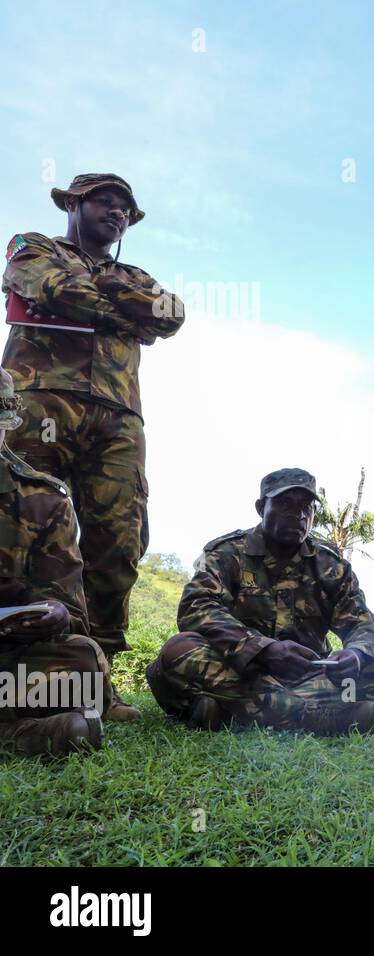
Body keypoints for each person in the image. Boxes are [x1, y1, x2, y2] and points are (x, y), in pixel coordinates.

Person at [2, 173, 186, 721]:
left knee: (118, 539)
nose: (118, 213)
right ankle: (24, 663)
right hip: (39, 403)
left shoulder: (136, 274)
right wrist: (121, 315)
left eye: (126, 208)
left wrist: (116, 304)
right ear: (74, 204)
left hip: (117, 416)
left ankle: (97, 677)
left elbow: (169, 314)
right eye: (106, 201)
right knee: (25, 529)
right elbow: (45, 284)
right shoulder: (35, 246)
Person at [146, 468, 374, 735]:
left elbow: (362, 623)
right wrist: (263, 649)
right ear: (260, 507)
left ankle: (229, 712)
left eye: (306, 506)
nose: (298, 514)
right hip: (239, 670)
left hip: (306, 677)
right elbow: (196, 607)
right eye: (284, 504)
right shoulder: (228, 553)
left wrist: (355, 654)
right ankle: (315, 717)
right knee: (179, 650)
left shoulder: (330, 565)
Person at [0, 367, 111, 756]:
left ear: (8, 422)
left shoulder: (45, 501)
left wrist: (55, 612)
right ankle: (24, 735)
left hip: (7, 655)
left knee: (83, 660)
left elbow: (65, 602)